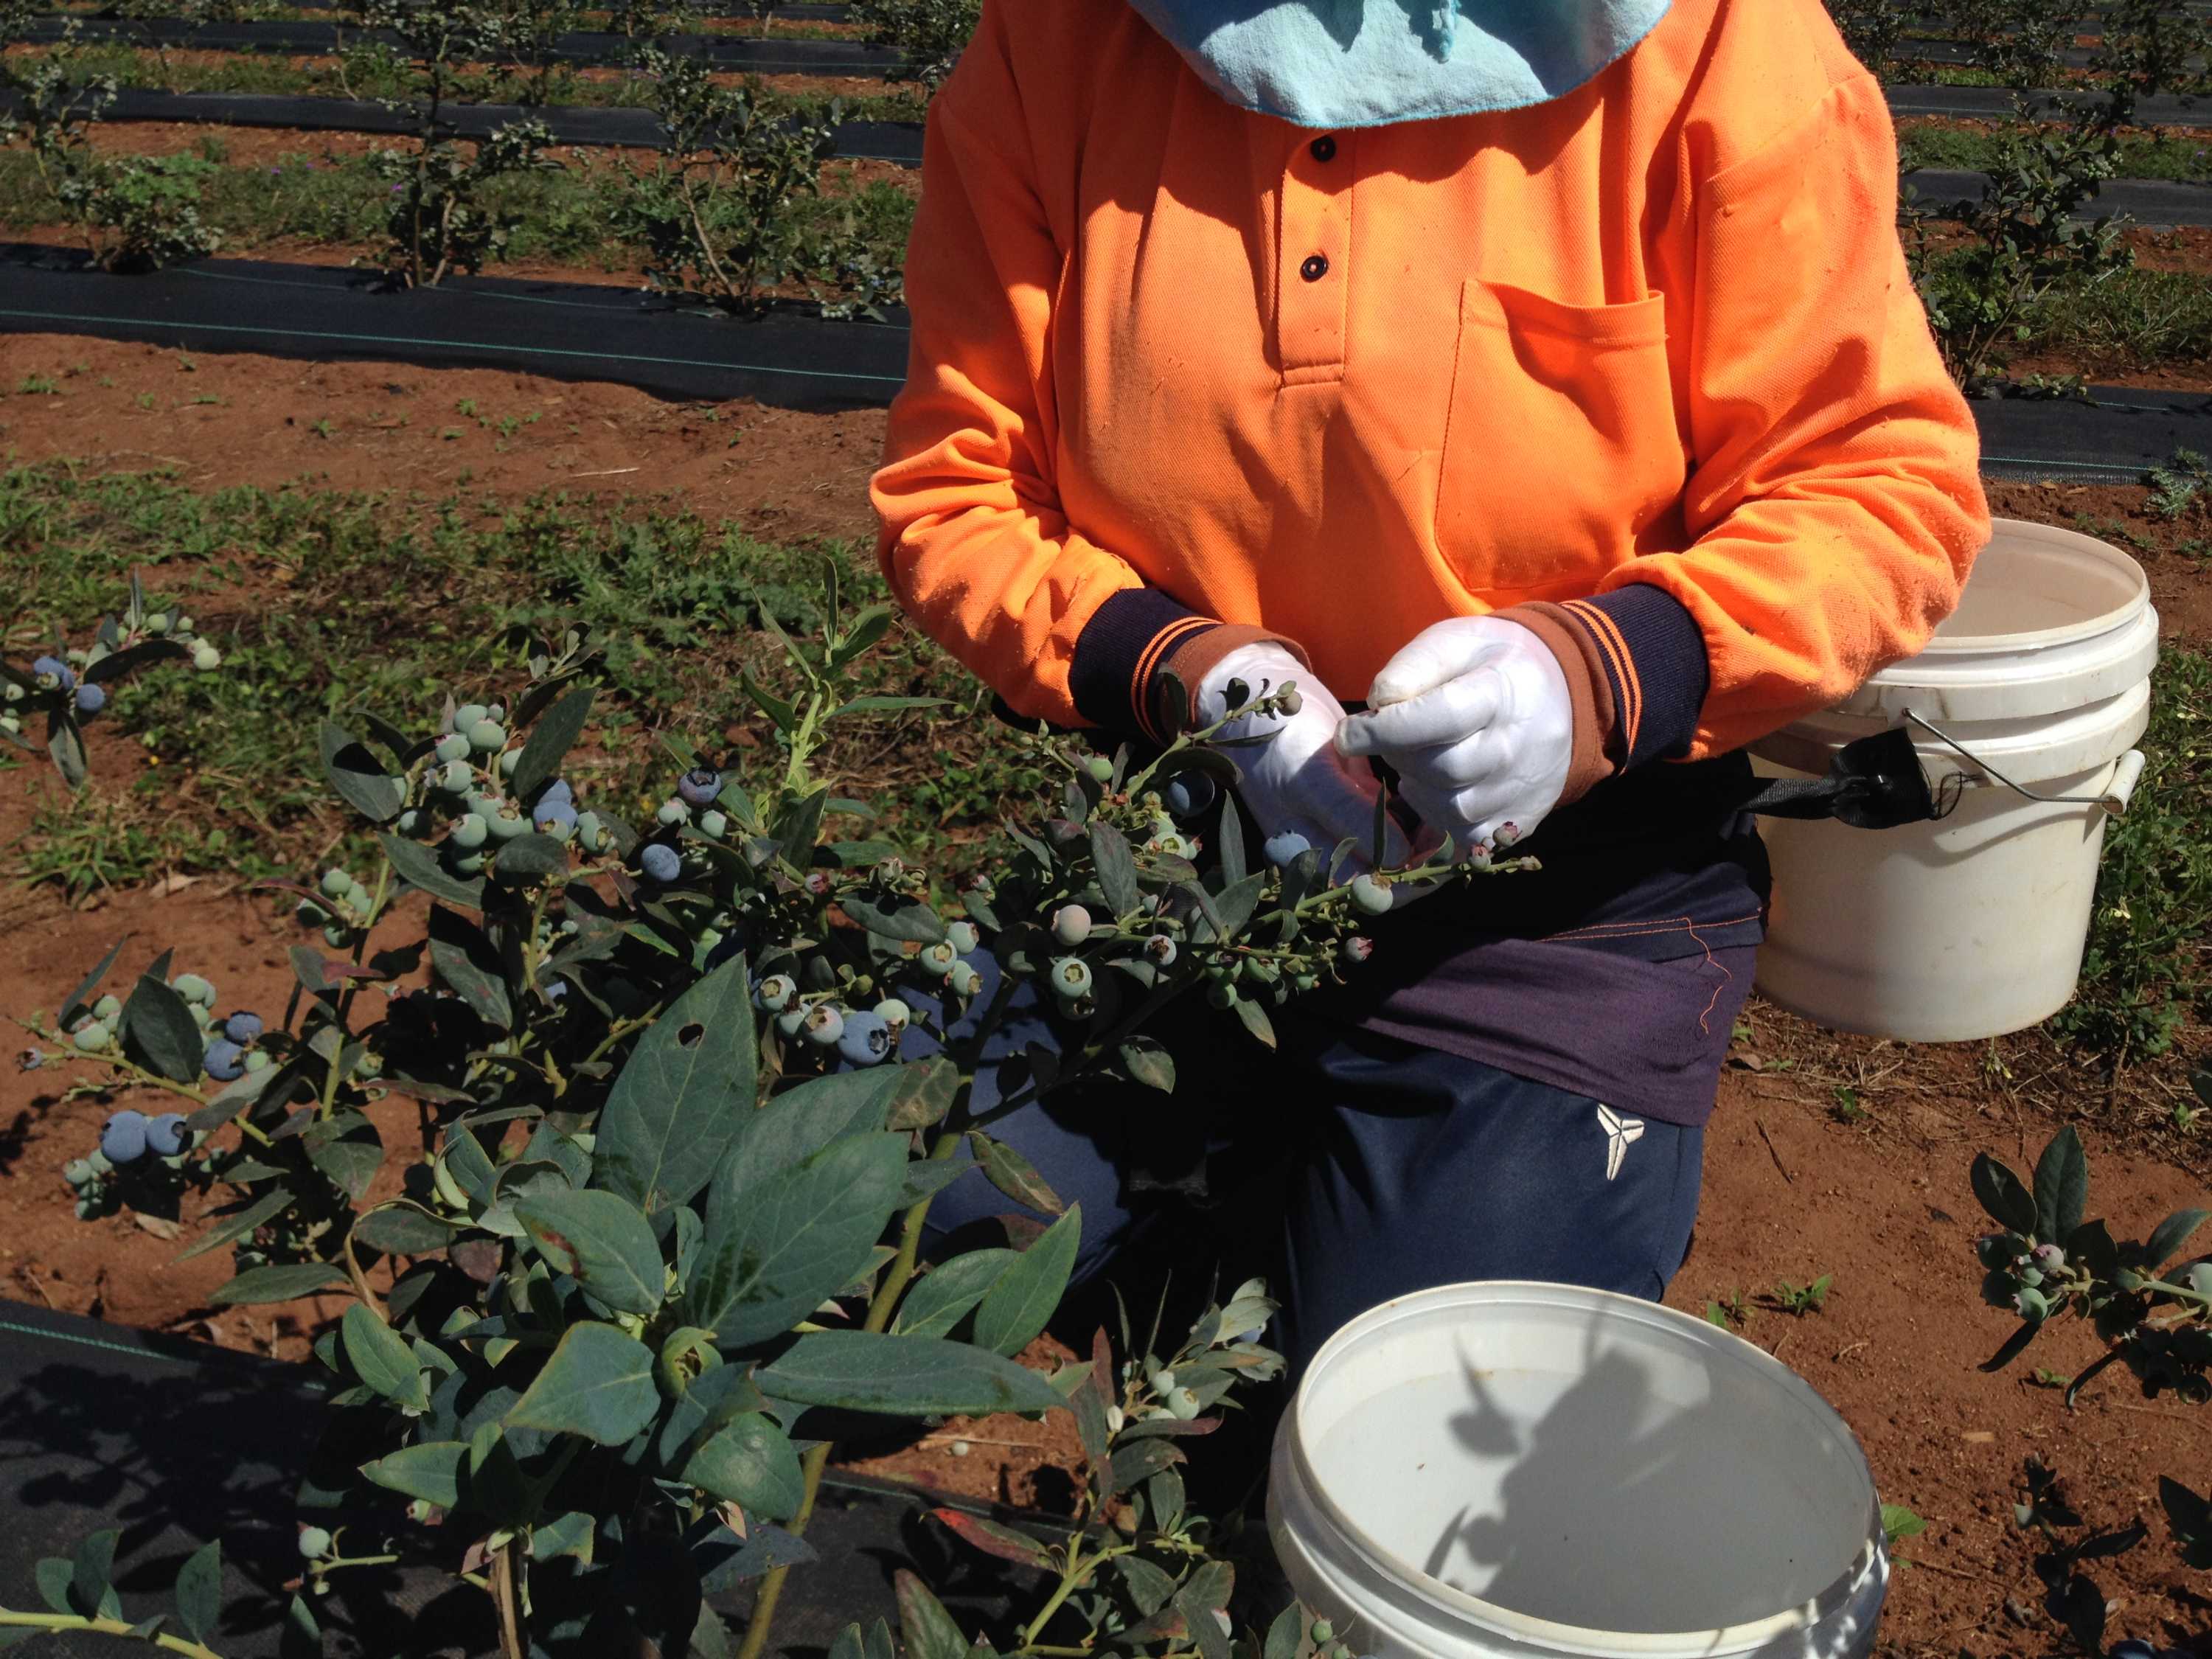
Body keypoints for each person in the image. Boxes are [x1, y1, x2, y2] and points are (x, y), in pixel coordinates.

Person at [871, 0, 1990, 1370]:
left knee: (1431, 1430)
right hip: (1183, 863)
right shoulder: (1065, 43)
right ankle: (1236, 1230)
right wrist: (1186, 674)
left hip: (1557, 913)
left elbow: (1875, 483)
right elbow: (959, 487)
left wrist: (1598, 678)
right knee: (893, 1229)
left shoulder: (1716, 43)